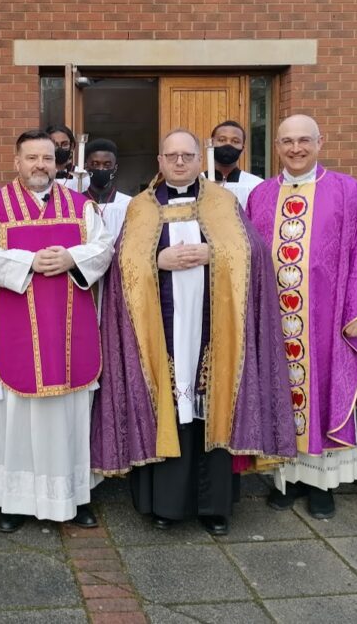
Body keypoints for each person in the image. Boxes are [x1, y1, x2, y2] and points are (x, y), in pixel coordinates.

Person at [91, 129, 296, 535]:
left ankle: (214, 508)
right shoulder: (142, 208)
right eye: (172, 155)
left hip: (212, 330)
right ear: (160, 161)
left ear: (199, 159)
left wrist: (215, 252)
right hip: (161, 329)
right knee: (168, 406)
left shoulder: (223, 202)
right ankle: (165, 505)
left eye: (187, 155)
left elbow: (253, 253)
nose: (180, 162)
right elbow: (121, 266)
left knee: (209, 409)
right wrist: (156, 260)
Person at [245, 115, 357, 519]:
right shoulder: (260, 195)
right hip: (273, 318)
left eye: (303, 140)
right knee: (279, 394)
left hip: (327, 318)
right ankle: (287, 479)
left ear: (320, 142)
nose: (295, 148)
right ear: (276, 146)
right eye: (286, 141)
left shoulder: (346, 190)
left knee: (323, 393)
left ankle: (320, 486)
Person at [0, 130, 115, 532]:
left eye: (47, 159)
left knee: (70, 412)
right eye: (31, 158)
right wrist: (28, 262)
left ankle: (75, 493)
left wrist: (71, 257)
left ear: (59, 163)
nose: (40, 166)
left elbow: (104, 249)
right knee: (14, 417)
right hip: (13, 325)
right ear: (16, 162)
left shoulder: (80, 207)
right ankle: (11, 500)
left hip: (70, 327)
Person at [83, 138, 132, 240]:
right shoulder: (78, 202)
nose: (101, 169)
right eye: (95, 164)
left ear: (115, 168)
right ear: (86, 167)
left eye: (107, 165)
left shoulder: (128, 203)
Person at [207, 120, 263, 209]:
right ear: (212, 143)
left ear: (242, 148)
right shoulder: (196, 184)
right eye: (222, 140)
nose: (228, 144)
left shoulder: (257, 186)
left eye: (235, 141)